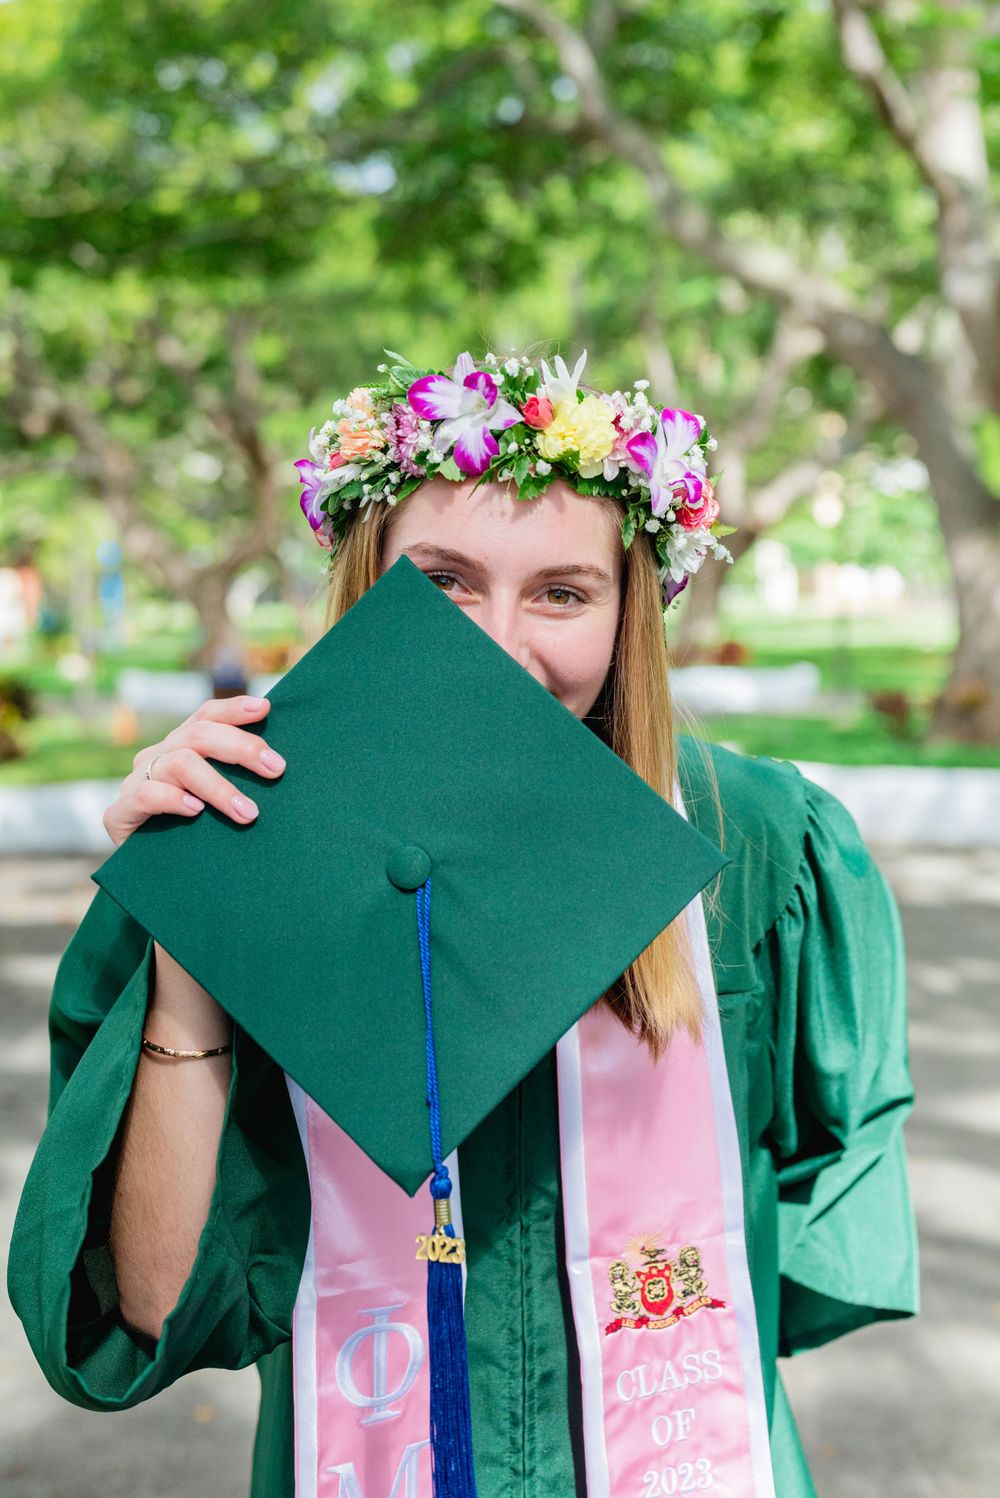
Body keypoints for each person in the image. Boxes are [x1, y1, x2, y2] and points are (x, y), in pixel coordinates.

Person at [8, 346, 918, 1498]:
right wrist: (201, 916)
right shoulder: (248, 832)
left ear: (628, 615)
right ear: (364, 585)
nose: (495, 646)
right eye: (441, 581)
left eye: (562, 592)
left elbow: (823, 1218)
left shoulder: (760, 845)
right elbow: (152, 1303)